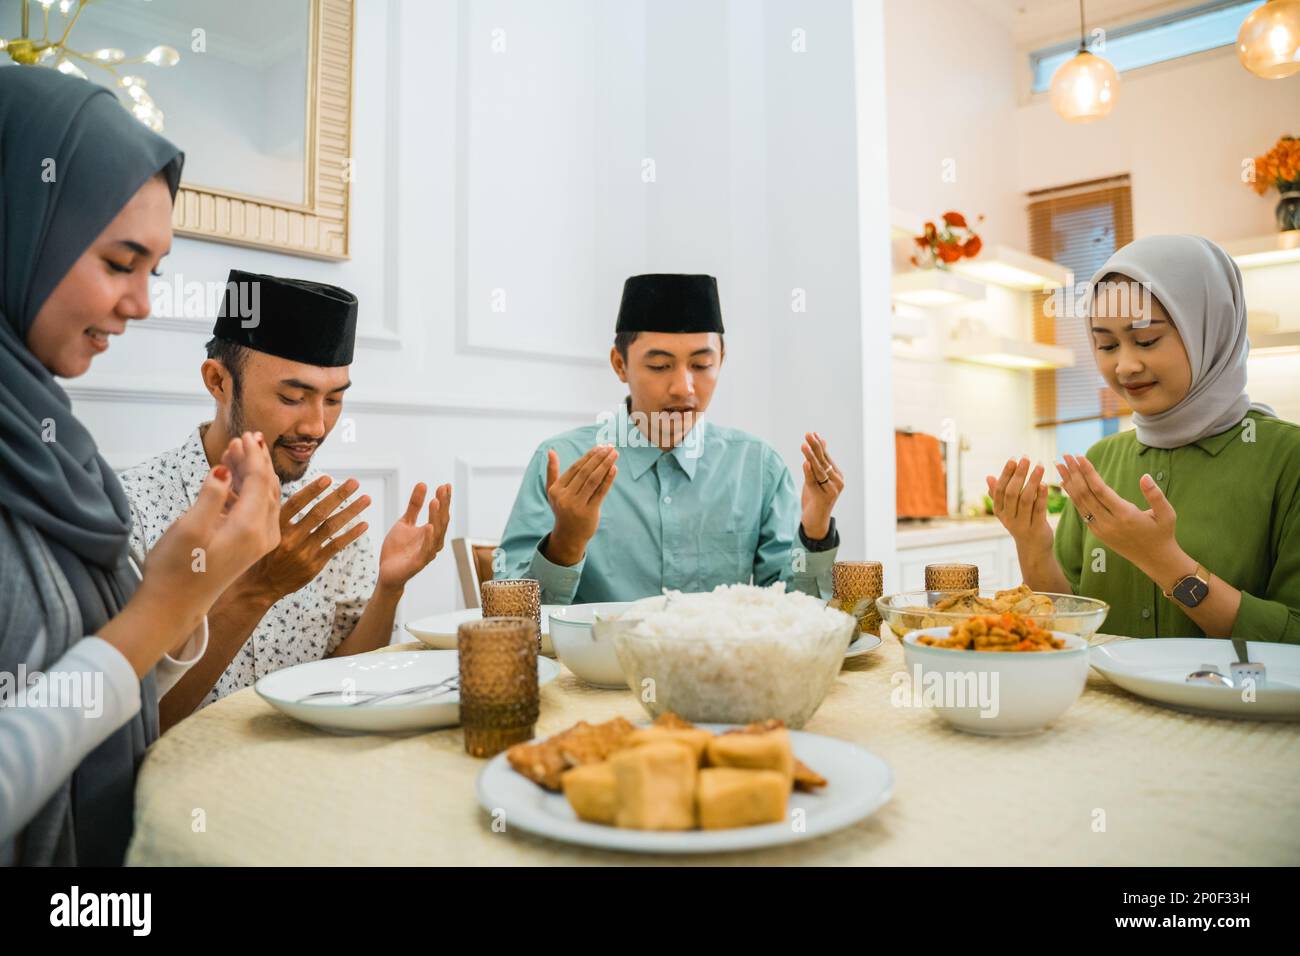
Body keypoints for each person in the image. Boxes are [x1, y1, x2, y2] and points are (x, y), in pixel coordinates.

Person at [0, 67, 281, 864]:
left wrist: (184, 601)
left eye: (152, 270)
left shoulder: (49, 440)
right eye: (120, 262)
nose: (143, 304)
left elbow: (86, 702)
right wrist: (162, 606)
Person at [120, 270, 453, 725]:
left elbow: (347, 679)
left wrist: (388, 589)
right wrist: (259, 588)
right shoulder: (133, 509)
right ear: (218, 382)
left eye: (334, 400)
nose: (316, 426)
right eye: (294, 397)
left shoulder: (327, 516)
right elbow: (135, 727)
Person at [988, 235, 1300, 642]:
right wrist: (1032, 546)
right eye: (1106, 344)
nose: (1125, 365)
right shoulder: (1100, 460)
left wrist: (1164, 562)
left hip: (1232, 707)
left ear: (1210, 329)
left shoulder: (1286, 459)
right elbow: (1071, 625)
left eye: (1147, 340)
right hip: (1105, 708)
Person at [499, 273, 845, 604]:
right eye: (660, 366)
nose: (683, 388)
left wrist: (815, 529)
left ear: (721, 360)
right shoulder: (560, 460)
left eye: (701, 364)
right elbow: (510, 618)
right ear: (620, 364)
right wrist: (566, 542)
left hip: (722, 664)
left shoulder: (757, 466)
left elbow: (796, 612)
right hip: (597, 666)